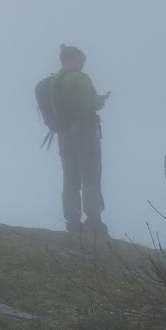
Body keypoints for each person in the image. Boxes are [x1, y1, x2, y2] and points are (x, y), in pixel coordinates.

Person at [53, 44, 109, 236]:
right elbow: (91, 102)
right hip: (85, 131)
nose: (83, 64)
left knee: (70, 176)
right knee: (91, 173)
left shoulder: (53, 81)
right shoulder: (80, 78)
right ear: (75, 59)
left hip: (63, 135)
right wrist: (100, 101)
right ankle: (94, 219)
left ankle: (73, 220)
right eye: (82, 61)